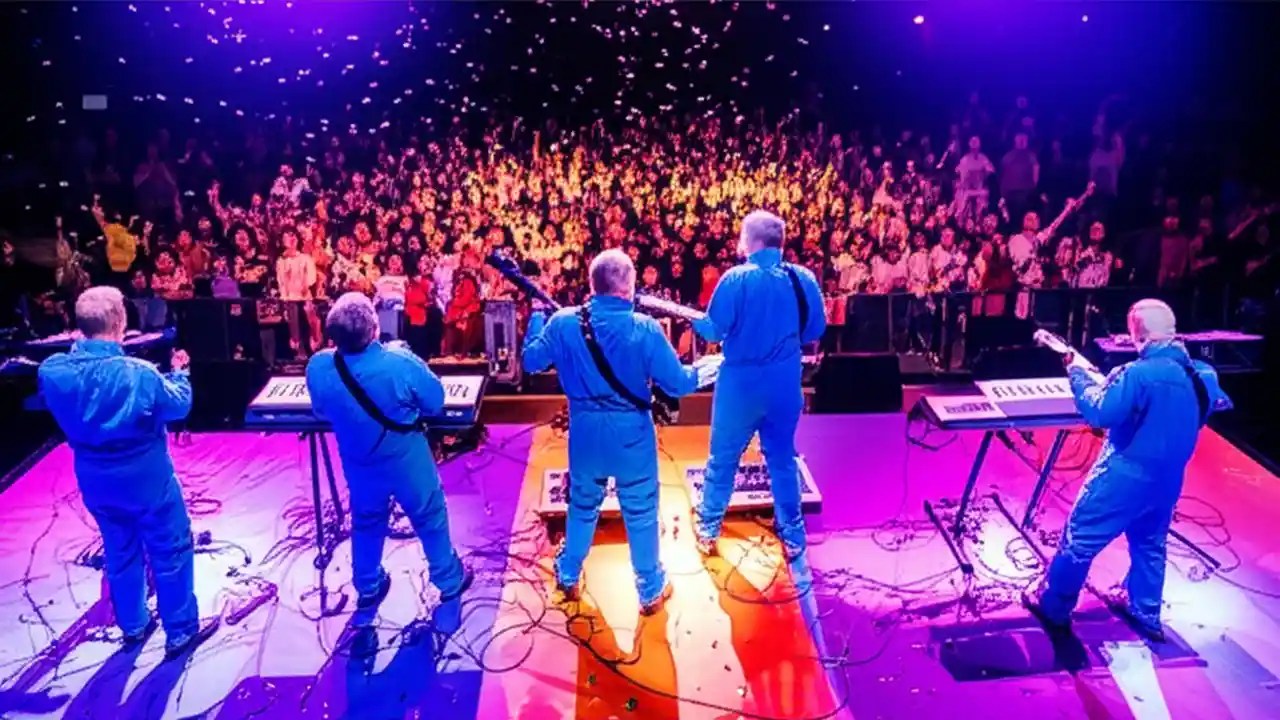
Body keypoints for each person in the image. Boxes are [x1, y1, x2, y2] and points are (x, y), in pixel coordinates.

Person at [521, 249, 720, 614]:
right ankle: (649, 590)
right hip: (632, 436)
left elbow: (530, 361)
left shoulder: (562, 323)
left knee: (582, 506)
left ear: (592, 284)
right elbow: (678, 383)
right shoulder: (644, 328)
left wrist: (536, 316)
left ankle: (568, 575)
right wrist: (713, 365)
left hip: (585, 434)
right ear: (629, 287)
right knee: (641, 512)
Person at [1024, 299, 1231, 641]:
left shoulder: (1137, 374)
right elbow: (1194, 415)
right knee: (1150, 542)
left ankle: (1054, 607)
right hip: (1168, 481)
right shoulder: (1202, 375)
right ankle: (1145, 611)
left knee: (1080, 540)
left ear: (1137, 334)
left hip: (1123, 476)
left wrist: (1078, 374)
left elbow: (1100, 412)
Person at [38, 286, 218, 658]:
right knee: (170, 549)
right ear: (120, 321)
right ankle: (180, 630)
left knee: (119, 550)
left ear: (79, 324)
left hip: (94, 478)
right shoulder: (139, 374)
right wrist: (180, 373)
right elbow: (179, 407)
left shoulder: (53, 371)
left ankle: (133, 625)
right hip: (146, 477)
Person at [305, 293, 472, 626]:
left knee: (366, 520)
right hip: (405, 458)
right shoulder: (399, 361)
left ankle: (367, 585)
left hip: (358, 462)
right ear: (374, 327)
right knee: (429, 515)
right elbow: (435, 401)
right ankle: (448, 580)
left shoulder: (319, 367)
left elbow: (321, 410)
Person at [690, 210, 826, 560]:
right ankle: (792, 533)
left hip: (740, 389)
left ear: (750, 241)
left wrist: (697, 321)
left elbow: (713, 331)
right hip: (784, 386)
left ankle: (708, 529)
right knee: (783, 459)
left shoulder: (736, 279)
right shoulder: (803, 278)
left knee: (723, 460)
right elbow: (815, 329)